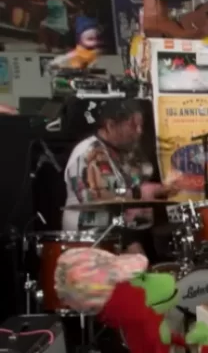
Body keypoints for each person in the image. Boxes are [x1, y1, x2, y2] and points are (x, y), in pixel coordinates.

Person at [63, 100, 170, 249]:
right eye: (133, 125)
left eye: (141, 125)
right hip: (89, 239)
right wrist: (139, 192)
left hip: (117, 234)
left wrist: (162, 188)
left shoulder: (122, 153)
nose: (139, 131)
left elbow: (131, 184)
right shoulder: (88, 152)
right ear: (110, 125)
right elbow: (93, 196)